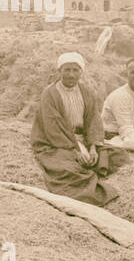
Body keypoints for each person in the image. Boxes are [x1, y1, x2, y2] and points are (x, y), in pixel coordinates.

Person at [30, 52, 119, 206]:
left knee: (116, 156)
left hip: (83, 140)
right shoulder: (50, 94)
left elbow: (93, 120)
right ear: (59, 72)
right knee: (66, 167)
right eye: (67, 70)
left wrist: (92, 147)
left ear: (81, 72)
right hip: (57, 142)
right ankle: (87, 187)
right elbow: (53, 129)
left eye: (75, 70)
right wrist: (76, 150)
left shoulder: (86, 92)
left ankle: (90, 168)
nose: (71, 75)